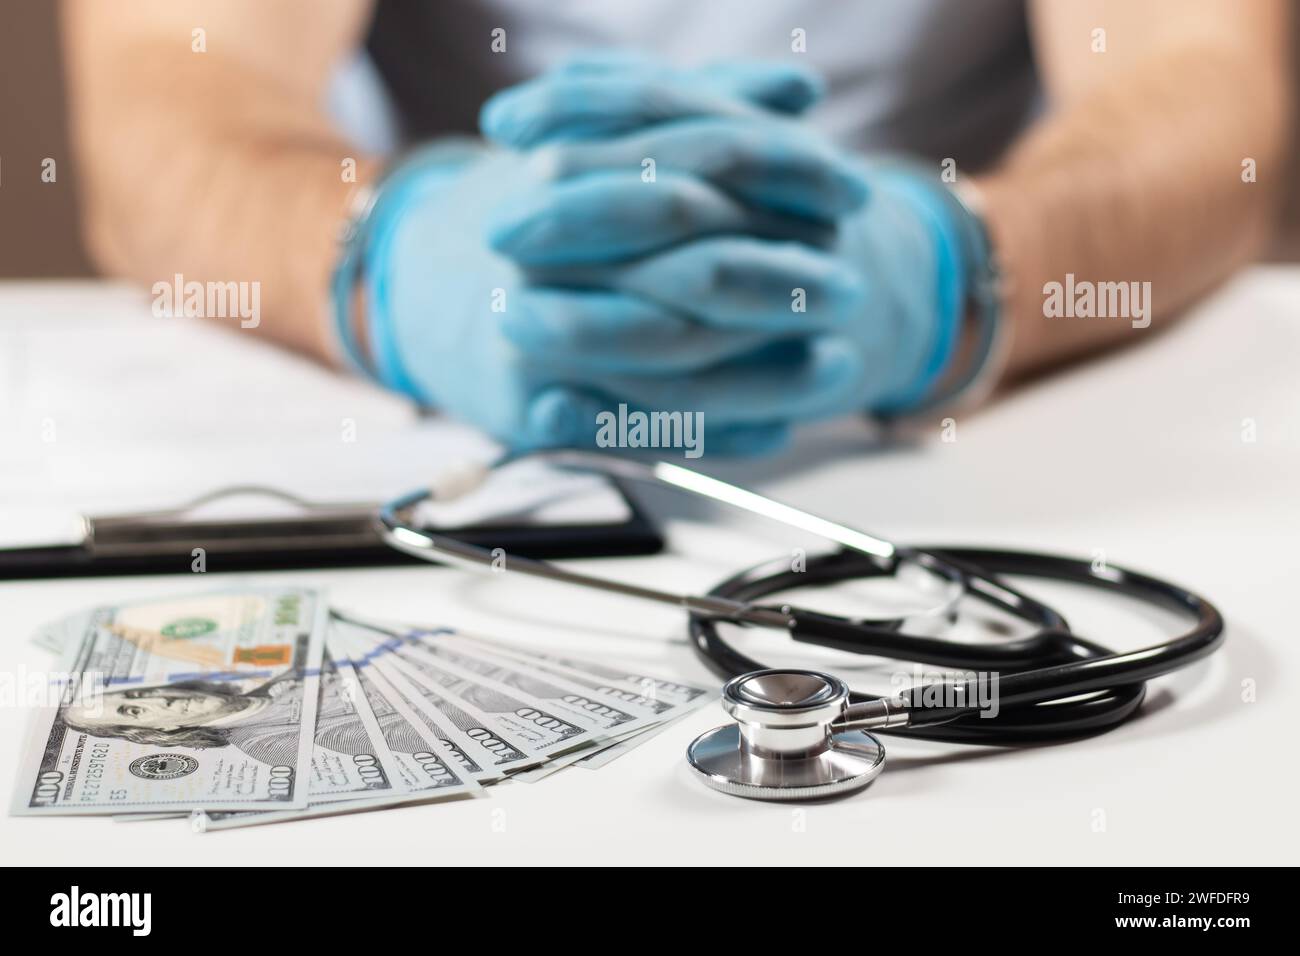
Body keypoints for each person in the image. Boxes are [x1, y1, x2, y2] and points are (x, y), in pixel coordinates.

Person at [62, 0, 1292, 454]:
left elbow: (1205, 82)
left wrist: (944, 270)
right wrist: (400, 260)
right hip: (449, 421)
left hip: (960, 420)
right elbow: (163, 86)